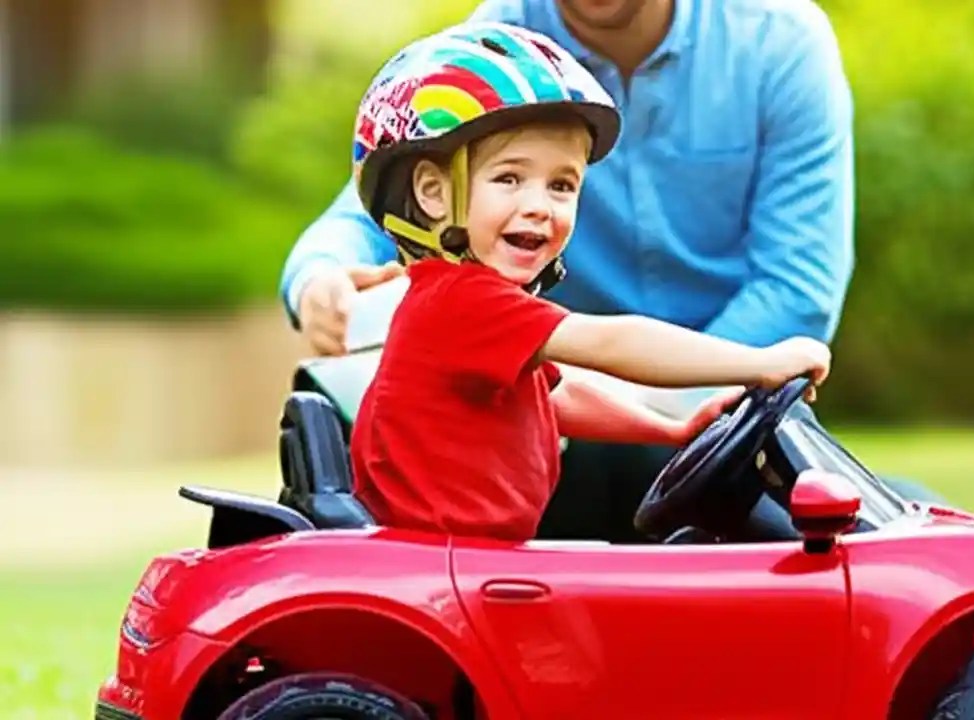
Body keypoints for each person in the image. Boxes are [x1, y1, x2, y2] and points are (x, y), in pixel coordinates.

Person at [281, 0, 858, 541]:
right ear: (431, 193)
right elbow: (606, 341)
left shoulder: (777, 40)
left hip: (537, 516)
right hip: (454, 566)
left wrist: (672, 424)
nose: (538, 205)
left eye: (562, 185)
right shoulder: (463, 298)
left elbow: (560, 394)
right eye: (509, 179)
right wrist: (759, 363)